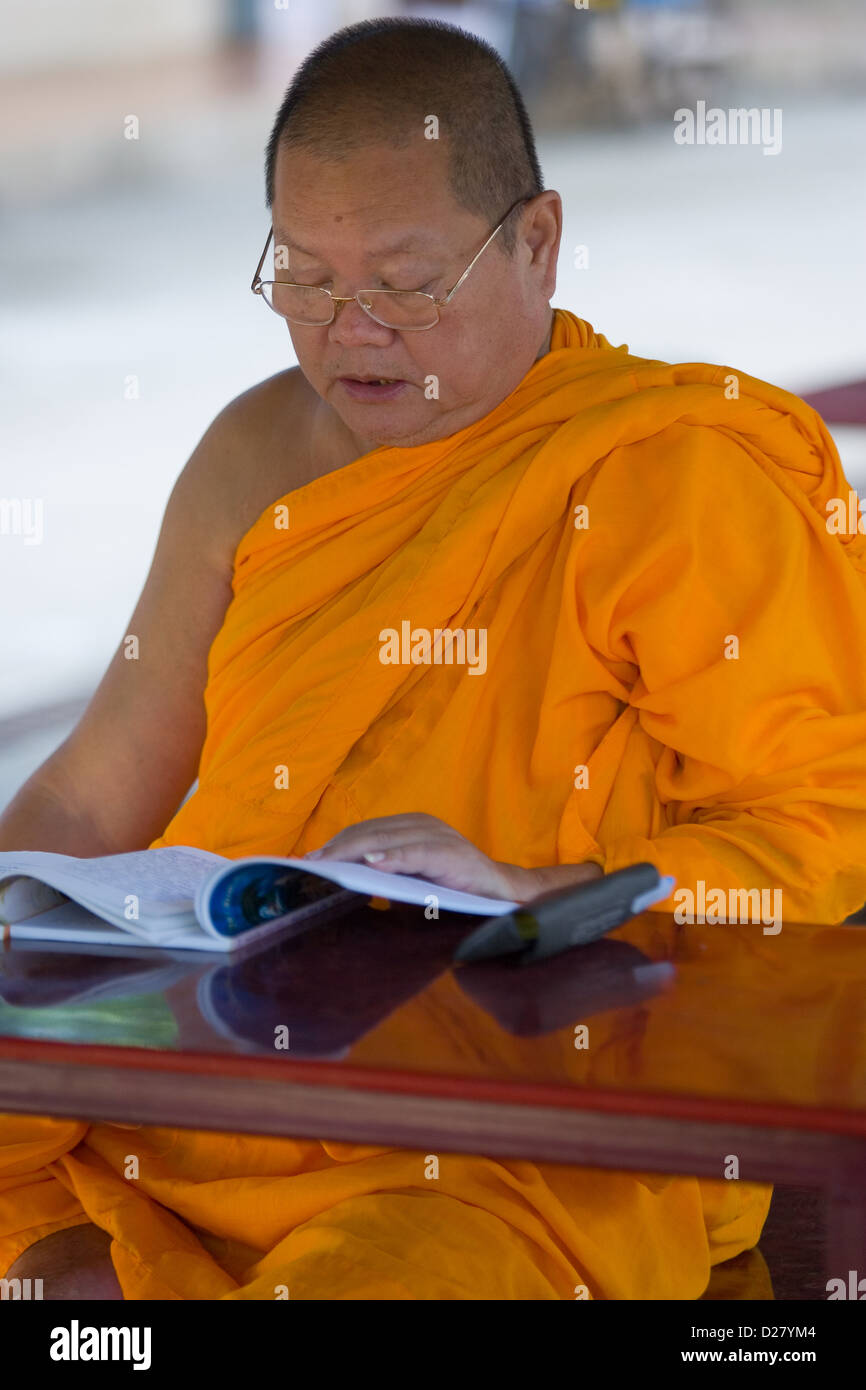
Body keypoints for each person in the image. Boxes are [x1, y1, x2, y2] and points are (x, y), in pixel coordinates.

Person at [2, 16, 865, 1301]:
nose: (351, 330)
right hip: (188, 1084)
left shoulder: (667, 471)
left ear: (536, 240)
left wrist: (538, 888)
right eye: (303, 278)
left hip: (497, 1143)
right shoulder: (254, 452)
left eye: (404, 281)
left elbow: (825, 822)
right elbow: (96, 784)